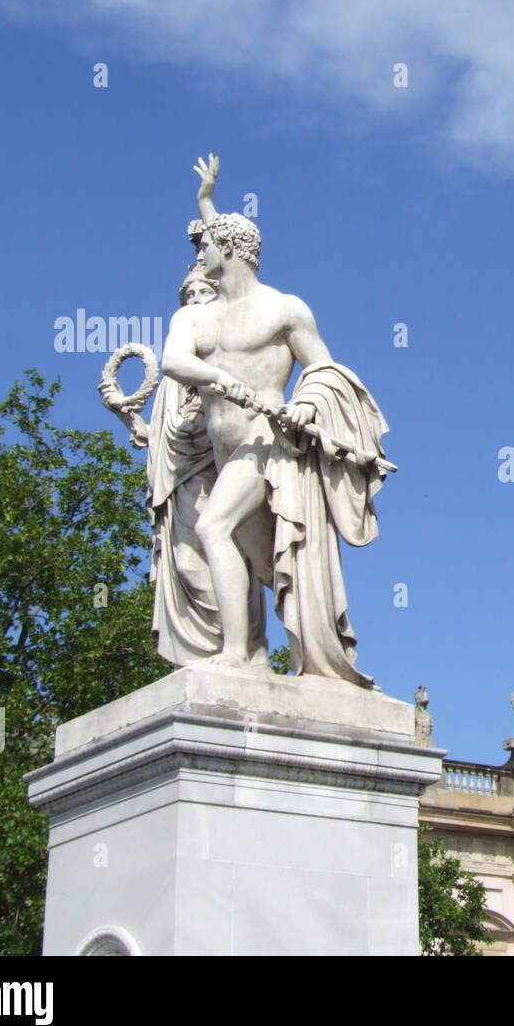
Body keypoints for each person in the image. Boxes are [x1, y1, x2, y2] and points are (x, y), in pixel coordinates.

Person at [160, 155, 390, 682]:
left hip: (268, 447)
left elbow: (327, 368)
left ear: (233, 249)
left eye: (209, 245)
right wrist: (220, 380)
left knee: (215, 527)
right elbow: (173, 361)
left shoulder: (283, 309)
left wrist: (307, 402)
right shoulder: (196, 316)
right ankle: (280, 658)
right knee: (270, 568)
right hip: (221, 452)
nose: (201, 256)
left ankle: (236, 655)